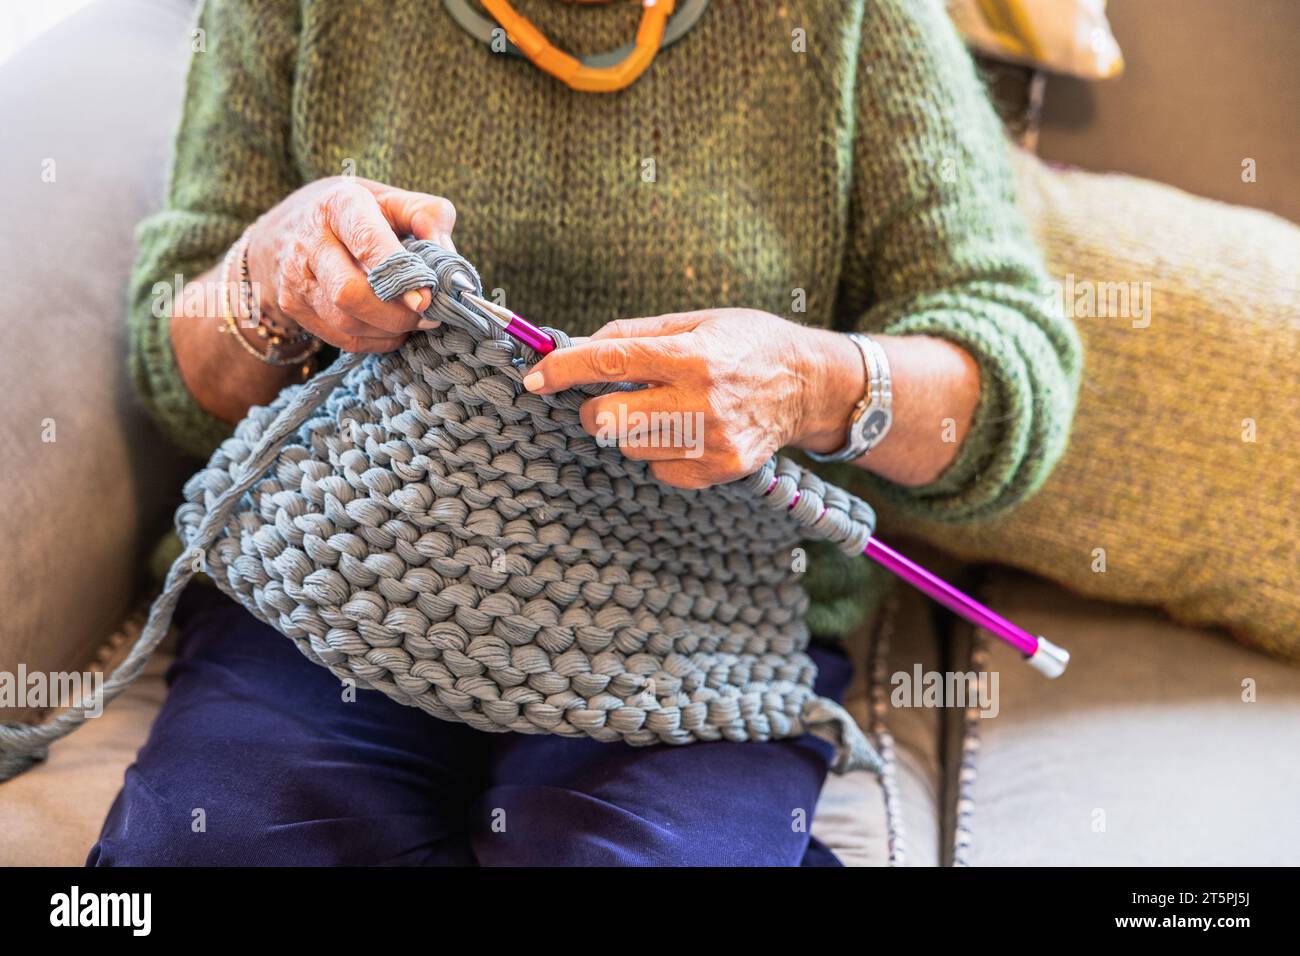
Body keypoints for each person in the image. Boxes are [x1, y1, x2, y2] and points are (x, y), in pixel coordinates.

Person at [91, 0, 1080, 866]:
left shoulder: (854, 19)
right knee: (211, 844)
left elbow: (1009, 381)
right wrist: (271, 276)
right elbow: (179, 377)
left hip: (698, 628)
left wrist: (808, 383)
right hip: (333, 581)